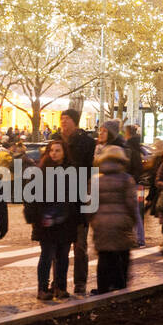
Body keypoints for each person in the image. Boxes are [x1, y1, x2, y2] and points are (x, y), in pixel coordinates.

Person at [26, 139, 79, 300]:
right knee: (47, 255)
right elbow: (31, 197)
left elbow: (77, 197)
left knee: (63, 256)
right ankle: (42, 288)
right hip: (47, 221)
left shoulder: (72, 171)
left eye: (58, 150)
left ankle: (60, 287)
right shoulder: (41, 171)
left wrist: (79, 217)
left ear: (64, 153)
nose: (54, 153)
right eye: (52, 150)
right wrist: (35, 217)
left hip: (66, 221)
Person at [91, 145, 138, 294]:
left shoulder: (96, 179)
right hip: (121, 223)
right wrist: (134, 220)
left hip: (101, 223)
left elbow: (90, 204)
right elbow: (131, 203)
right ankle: (121, 285)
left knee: (104, 256)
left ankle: (103, 287)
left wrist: (93, 221)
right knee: (122, 254)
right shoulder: (126, 179)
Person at [61, 109, 96, 295]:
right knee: (60, 247)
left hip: (80, 201)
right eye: (62, 119)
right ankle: (59, 283)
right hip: (60, 201)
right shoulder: (57, 142)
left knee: (80, 246)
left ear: (75, 122)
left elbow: (90, 172)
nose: (63, 122)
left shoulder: (86, 143)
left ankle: (80, 282)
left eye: (67, 119)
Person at [123, 123, 147, 249]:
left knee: (133, 211)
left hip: (130, 182)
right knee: (135, 211)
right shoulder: (137, 146)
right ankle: (138, 238)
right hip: (135, 181)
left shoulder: (129, 147)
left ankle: (138, 238)